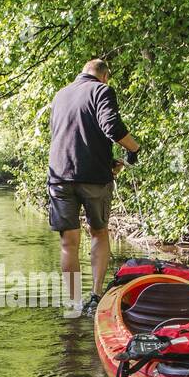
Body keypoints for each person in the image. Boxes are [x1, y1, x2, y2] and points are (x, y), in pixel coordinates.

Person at [47, 58, 140, 317]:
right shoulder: (101, 90)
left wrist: (107, 161)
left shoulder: (60, 95)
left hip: (59, 176)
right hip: (93, 179)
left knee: (69, 244)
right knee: (98, 233)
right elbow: (111, 126)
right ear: (104, 76)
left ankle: (75, 304)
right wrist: (133, 149)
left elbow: (71, 135)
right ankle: (96, 297)